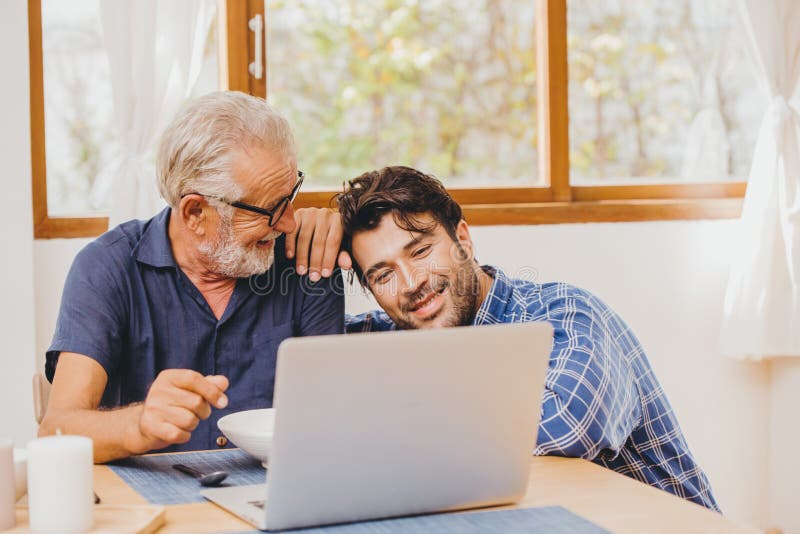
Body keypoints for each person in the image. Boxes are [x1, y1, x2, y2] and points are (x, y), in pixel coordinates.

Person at [321, 165, 719, 510]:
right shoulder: (394, 334)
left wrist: (403, 421)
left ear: (463, 239)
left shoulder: (565, 313)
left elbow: (571, 426)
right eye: (383, 275)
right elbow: (297, 357)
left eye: (421, 250)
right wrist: (295, 245)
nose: (411, 284)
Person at [40, 91, 344, 463]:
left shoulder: (305, 262)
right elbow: (57, 430)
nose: (289, 222)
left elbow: (332, 425)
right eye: (270, 209)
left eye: (289, 195)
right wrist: (139, 424)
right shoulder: (107, 267)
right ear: (195, 212)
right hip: (148, 505)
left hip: (275, 498)